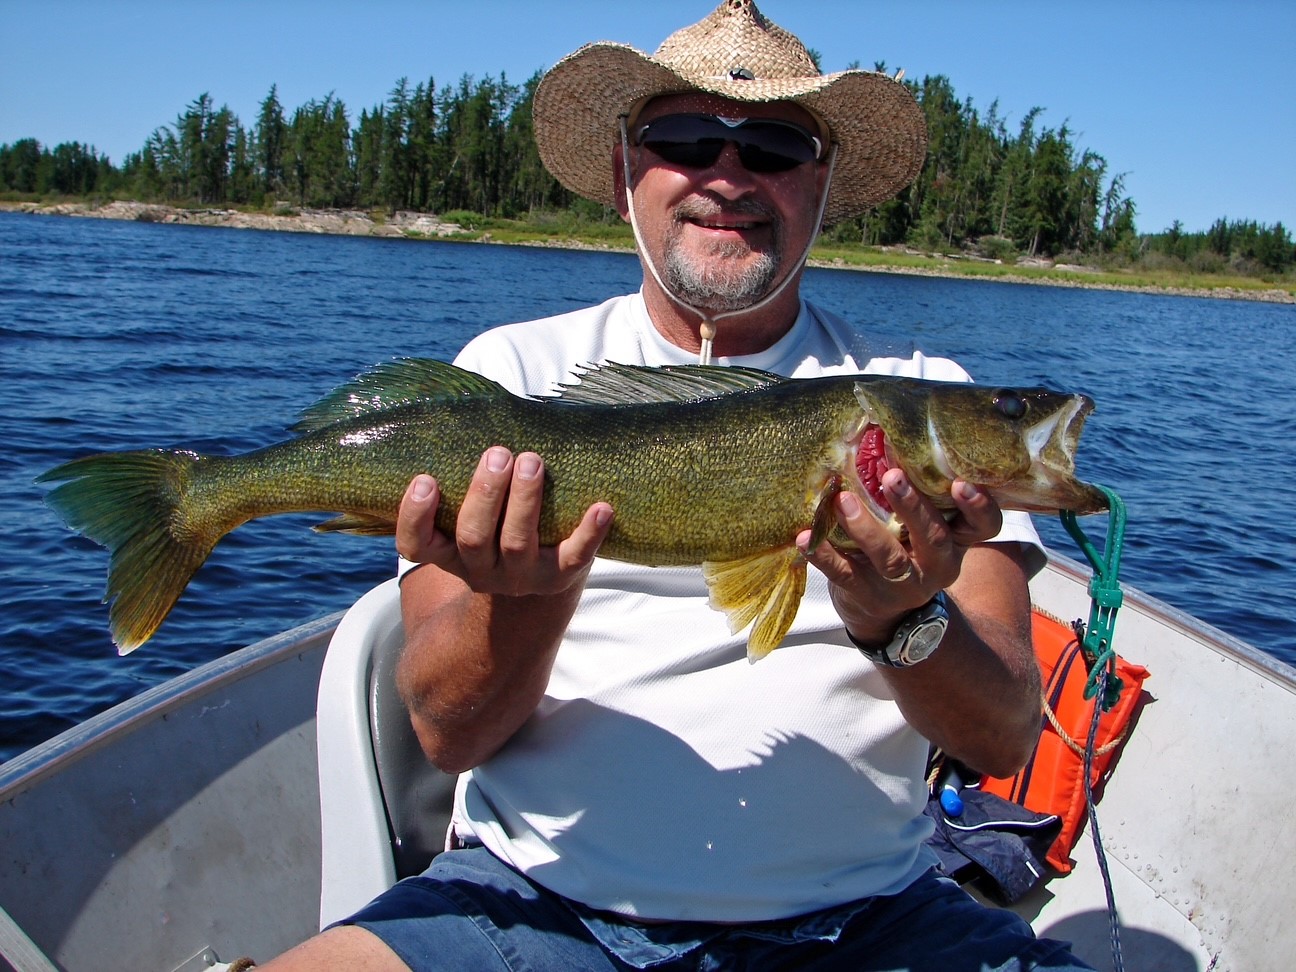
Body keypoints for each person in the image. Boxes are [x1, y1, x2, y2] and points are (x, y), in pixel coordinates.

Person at [264, 2, 1094, 969]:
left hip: (873, 921)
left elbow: (1002, 740)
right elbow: (446, 735)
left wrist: (900, 621)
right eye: (686, 138)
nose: (728, 175)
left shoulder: (922, 385)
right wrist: (526, 599)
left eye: (775, 147)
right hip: (536, 906)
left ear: (821, 183)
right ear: (627, 170)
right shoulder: (508, 380)